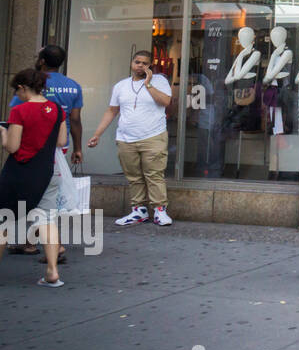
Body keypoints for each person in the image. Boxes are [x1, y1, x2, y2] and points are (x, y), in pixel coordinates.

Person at [7, 45, 81, 257]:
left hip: (29, 145)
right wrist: (77, 148)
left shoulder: (31, 85)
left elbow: (17, 115)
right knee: (48, 196)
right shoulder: (73, 86)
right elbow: (75, 120)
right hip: (58, 146)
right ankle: (40, 244)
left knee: (27, 195)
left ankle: (29, 241)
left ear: (41, 61)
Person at [87, 50, 174, 226]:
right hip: (126, 138)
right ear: (132, 63)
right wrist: (97, 134)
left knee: (154, 174)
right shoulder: (121, 86)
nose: (140, 65)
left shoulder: (160, 81)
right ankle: (139, 210)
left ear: (150, 66)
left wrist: (149, 84)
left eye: (145, 63)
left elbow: (165, 102)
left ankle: (159, 210)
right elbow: (112, 111)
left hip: (153, 135)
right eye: (137, 62)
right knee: (134, 176)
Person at [0, 69, 68, 287]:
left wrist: (3, 133)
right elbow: (61, 141)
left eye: (16, 90)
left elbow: (13, 146)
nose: (16, 94)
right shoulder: (57, 110)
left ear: (22, 88)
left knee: (4, 220)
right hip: (48, 171)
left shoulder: (19, 111)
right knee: (47, 220)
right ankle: (52, 271)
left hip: (20, 172)